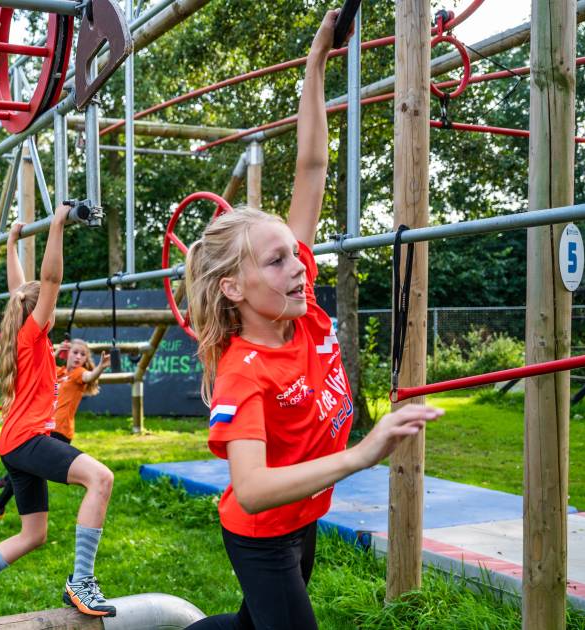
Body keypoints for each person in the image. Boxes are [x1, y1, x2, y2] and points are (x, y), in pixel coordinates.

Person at [182, 10, 442, 629]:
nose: (298, 267)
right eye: (276, 262)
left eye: (294, 255)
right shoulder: (243, 372)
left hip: (304, 518)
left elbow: (312, 167)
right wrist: (363, 453)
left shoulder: (301, 310)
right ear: (234, 288)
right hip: (262, 532)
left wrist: (316, 63)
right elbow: (251, 488)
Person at [0, 210, 118, 621]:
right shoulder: (33, 333)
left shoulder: (23, 329)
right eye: (47, 303)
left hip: (15, 443)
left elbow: (20, 289)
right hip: (27, 440)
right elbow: (50, 281)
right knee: (101, 478)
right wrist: (56, 225)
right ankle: (81, 582)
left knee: (33, 533)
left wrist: (12, 242)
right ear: (40, 309)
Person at [0, 338, 110, 518]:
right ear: (67, 354)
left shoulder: (79, 373)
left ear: (85, 360)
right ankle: (0, 498)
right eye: (75, 352)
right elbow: (40, 369)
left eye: (82, 354)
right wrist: (54, 352)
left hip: (60, 431)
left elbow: (89, 377)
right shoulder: (60, 372)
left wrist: (100, 368)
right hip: (45, 427)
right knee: (27, 467)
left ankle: (3, 489)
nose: (78, 357)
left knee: (27, 465)